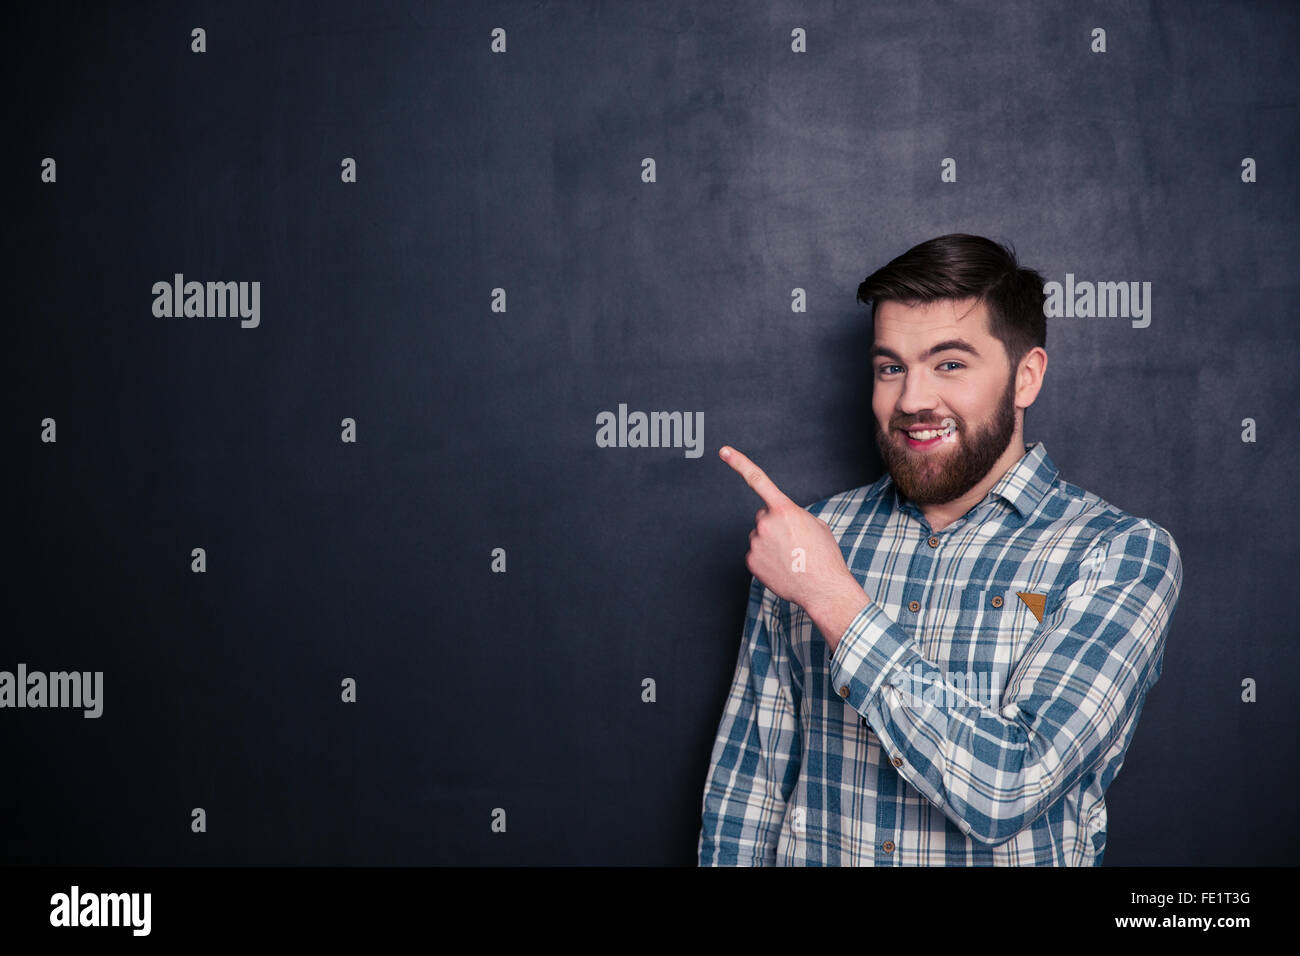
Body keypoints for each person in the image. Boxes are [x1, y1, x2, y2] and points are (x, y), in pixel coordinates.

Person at [697, 233, 1182, 865]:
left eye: (949, 363)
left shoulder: (1120, 555)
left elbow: (1008, 788)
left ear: (1025, 377)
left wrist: (830, 596)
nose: (913, 400)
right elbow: (749, 792)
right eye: (890, 367)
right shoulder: (807, 535)